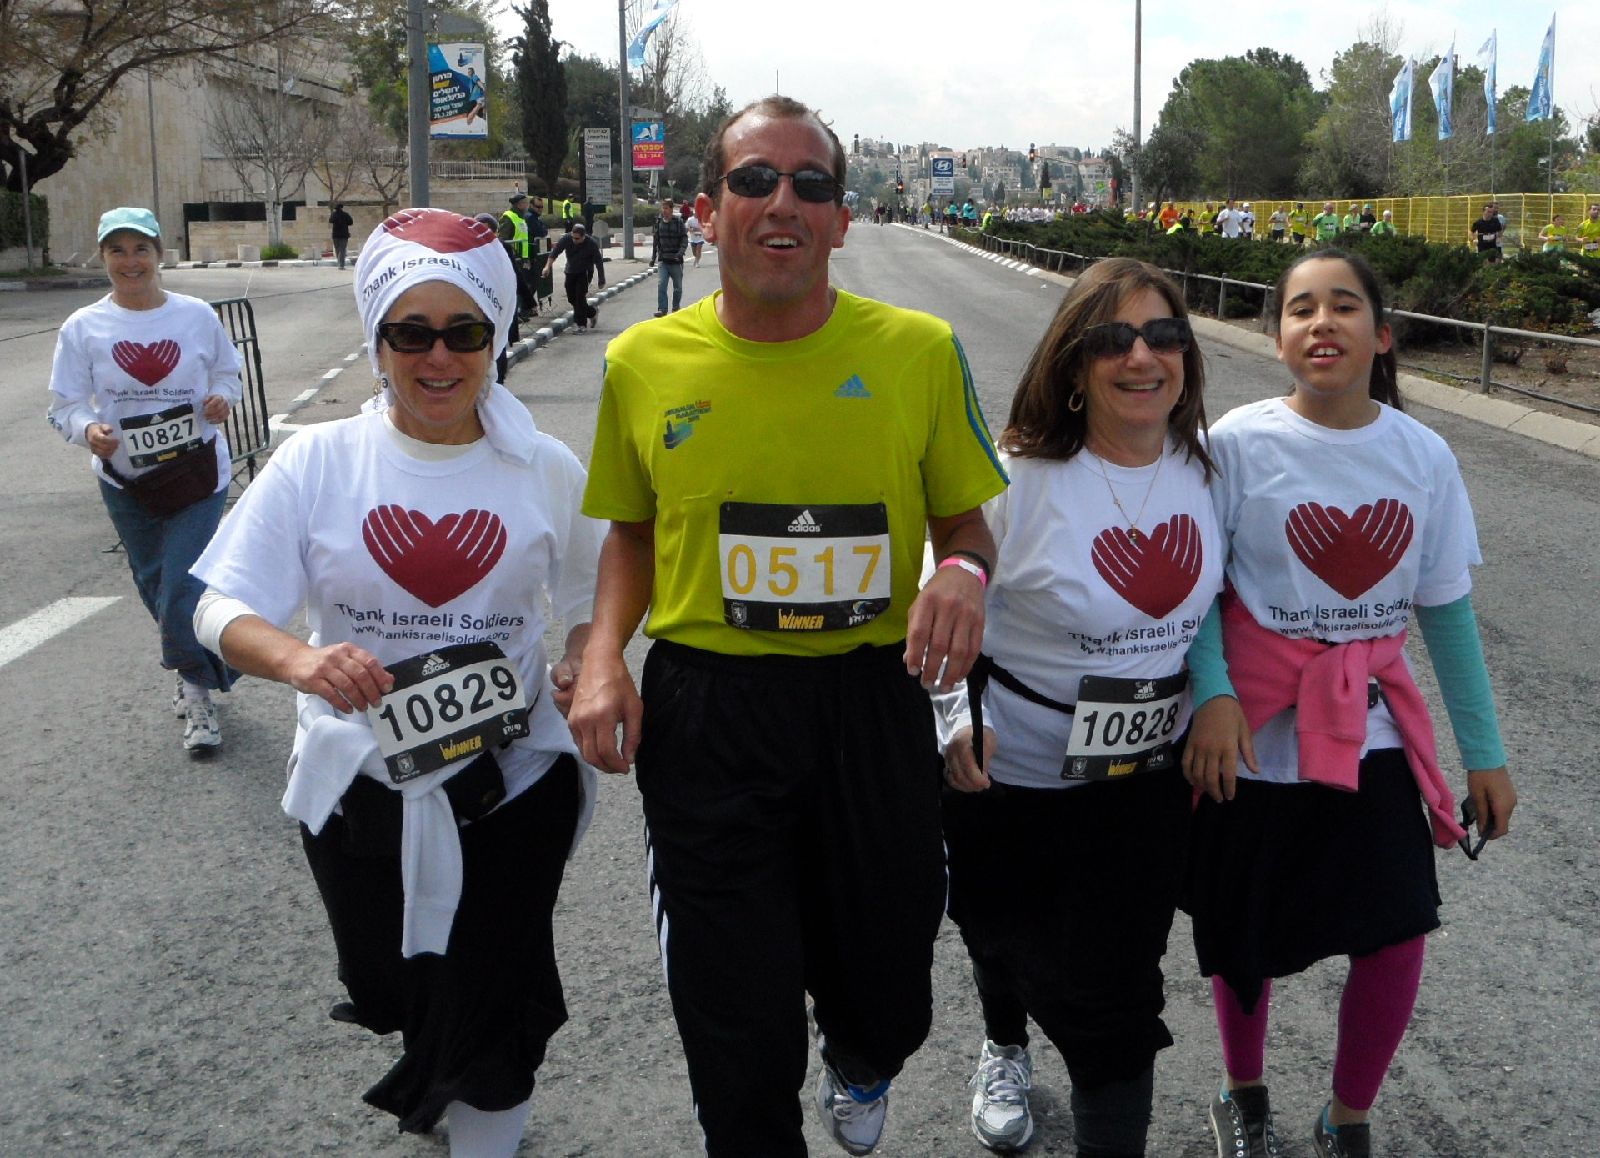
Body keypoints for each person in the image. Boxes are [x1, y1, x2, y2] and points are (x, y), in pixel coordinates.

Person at [567, 94, 1008, 1158]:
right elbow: (631, 532)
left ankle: (860, 1057)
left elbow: (966, 528)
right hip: (710, 712)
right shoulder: (642, 363)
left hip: (870, 702)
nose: (783, 203)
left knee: (889, 984)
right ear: (705, 211)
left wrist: (959, 575)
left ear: (841, 220)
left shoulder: (918, 351)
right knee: (735, 1023)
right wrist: (603, 655)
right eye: (754, 180)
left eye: (811, 184)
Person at [189, 207, 603, 1157]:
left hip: (511, 781)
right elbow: (219, 607)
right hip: (362, 786)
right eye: (410, 333)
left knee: (497, 991)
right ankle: (438, 1056)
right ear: (377, 343)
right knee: (396, 983)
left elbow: (595, 595)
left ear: (495, 339)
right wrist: (302, 661)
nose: (439, 357)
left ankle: (485, 1106)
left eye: (465, 332)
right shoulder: (318, 462)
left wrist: (587, 654)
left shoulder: (543, 467)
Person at [1181, 248, 1518, 1158]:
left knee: (1398, 930)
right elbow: (1199, 592)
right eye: (1300, 309)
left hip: (1370, 734)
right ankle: (1243, 1096)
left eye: (1343, 306)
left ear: (1383, 334)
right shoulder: (1235, 445)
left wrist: (1484, 755)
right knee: (1242, 935)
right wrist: (1213, 694)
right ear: (1276, 337)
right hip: (1252, 734)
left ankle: (1349, 1115)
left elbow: (1445, 611)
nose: (1321, 322)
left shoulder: (1423, 456)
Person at [938, 258, 1224, 1157]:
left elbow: (1217, 603)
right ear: (1072, 362)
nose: (1142, 357)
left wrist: (1215, 691)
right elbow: (937, 608)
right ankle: (1004, 1043)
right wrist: (956, 718)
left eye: (1163, 335)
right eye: (1112, 339)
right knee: (1000, 939)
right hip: (1009, 785)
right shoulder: (1015, 479)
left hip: (1141, 787)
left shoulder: (1205, 470)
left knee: (1116, 1006)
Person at [47, 206, 240, 757]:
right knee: (155, 584)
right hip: (126, 482)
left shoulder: (195, 315)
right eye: (117, 251)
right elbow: (64, 406)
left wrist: (222, 398)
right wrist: (89, 430)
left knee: (182, 586)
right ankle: (197, 665)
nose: (130, 262)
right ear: (103, 257)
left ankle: (197, 691)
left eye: (140, 249)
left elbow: (228, 373)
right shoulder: (83, 327)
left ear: (159, 254)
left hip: (197, 474)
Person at [542, 220, 605, 332]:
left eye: (577, 238)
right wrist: (547, 267)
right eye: (573, 237)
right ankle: (592, 312)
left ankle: (581, 325)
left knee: (580, 297)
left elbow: (599, 262)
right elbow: (555, 253)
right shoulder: (566, 239)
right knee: (572, 298)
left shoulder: (591, 243)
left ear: (583, 236)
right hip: (570, 271)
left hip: (585, 272)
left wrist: (601, 279)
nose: (574, 240)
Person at [498, 193, 536, 321]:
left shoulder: (521, 217)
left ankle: (521, 312)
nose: (527, 205)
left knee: (523, 286)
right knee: (515, 287)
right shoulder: (508, 217)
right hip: (513, 258)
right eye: (525, 203)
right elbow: (503, 239)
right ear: (519, 205)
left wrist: (526, 258)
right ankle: (516, 314)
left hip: (522, 258)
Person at [652, 197, 688, 317]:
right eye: (663, 208)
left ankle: (675, 308)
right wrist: (653, 258)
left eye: (666, 208)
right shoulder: (659, 222)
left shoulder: (678, 222)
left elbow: (684, 239)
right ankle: (662, 309)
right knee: (661, 284)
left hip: (676, 261)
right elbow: (656, 241)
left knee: (678, 288)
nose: (664, 210)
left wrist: (680, 253)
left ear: (671, 209)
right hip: (663, 260)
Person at [329, 202, 354, 269]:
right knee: (342, 250)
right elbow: (351, 222)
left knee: (337, 250)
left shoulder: (334, 215)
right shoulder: (345, 215)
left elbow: (330, 221)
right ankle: (341, 265)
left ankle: (340, 263)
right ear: (341, 208)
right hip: (344, 235)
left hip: (336, 235)